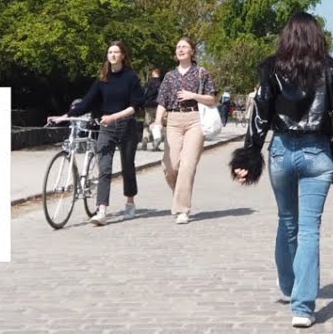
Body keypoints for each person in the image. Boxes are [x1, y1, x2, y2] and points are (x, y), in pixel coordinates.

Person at [230, 11, 333, 329]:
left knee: (288, 222)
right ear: (317, 37)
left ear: (286, 36)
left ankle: (289, 286)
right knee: (310, 229)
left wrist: (248, 157)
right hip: (318, 154)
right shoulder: (328, 68)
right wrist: (330, 119)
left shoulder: (272, 69)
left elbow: (260, 115)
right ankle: (303, 306)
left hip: (282, 152)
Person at [48, 40, 143, 225]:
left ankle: (130, 202)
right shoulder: (103, 79)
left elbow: (136, 106)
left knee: (127, 166)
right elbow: (86, 102)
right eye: (110, 52)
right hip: (106, 127)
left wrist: (115, 117)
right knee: (104, 168)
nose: (113, 55)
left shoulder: (131, 77)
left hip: (126, 126)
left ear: (123, 56)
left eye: (116, 52)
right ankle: (101, 210)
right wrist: (63, 116)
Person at [152, 37, 218, 225]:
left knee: (187, 165)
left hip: (194, 120)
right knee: (170, 166)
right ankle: (180, 192)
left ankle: (182, 209)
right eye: (178, 47)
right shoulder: (169, 76)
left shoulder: (201, 73)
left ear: (192, 52)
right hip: (173, 121)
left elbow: (212, 99)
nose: (180, 49)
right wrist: (157, 121)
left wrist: (194, 96)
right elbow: (162, 102)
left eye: (184, 47)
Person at [141, 68, 163, 150]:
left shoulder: (147, 84)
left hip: (148, 106)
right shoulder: (161, 84)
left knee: (147, 124)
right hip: (158, 106)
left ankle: (145, 138)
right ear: (159, 74)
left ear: (153, 74)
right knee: (157, 123)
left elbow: (144, 94)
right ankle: (156, 141)